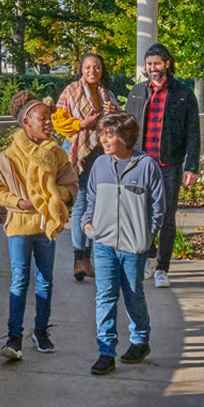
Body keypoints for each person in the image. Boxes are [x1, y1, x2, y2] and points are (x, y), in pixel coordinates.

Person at [0, 90, 77, 360]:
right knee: (20, 280)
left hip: (47, 226)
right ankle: (14, 338)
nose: (49, 123)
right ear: (27, 122)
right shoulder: (8, 157)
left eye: (50, 119)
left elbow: (72, 186)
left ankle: (41, 331)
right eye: (43, 119)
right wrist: (19, 202)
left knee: (45, 282)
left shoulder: (56, 153)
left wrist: (54, 196)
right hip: (20, 228)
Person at [79, 111, 165, 375]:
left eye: (109, 135)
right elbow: (90, 200)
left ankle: (140, 339)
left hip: (133, 247)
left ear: (125, 137)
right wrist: (86, 223)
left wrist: (146, 236)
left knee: (132, 294)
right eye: (102, 135)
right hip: (104, 243)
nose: (104, 140)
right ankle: (106, 351)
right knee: (105, 296)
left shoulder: (146, 165)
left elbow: (158, 207)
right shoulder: (100, 165)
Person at [124, 43, 200, 288]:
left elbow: (193, 133)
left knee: (167, 217)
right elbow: (126, 129)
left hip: (169, 165)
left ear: (167, 64)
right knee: (142, 215)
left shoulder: (183, 94)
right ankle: (148, 257)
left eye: (156, 63)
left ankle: (163, 268)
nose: (152, 68)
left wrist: (192, 166)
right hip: (140, 165)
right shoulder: (137, 92)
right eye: (148, 64)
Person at [57, 53, 119, 281]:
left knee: (96, 204)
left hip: (101, 153)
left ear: (102, 70)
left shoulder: (108, 95)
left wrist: (112, 114)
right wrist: (83, 124)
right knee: (82, 201)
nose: (92, 71)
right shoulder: (71, 91)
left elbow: (117, 127)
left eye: (97, 68)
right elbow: (59, 123)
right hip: (77, 152)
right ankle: (79, 258)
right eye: (88, 68)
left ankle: (86, 259)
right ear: (81, 70)